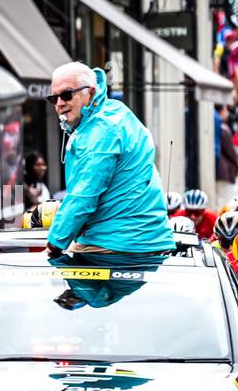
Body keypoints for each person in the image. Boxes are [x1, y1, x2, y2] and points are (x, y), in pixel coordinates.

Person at [45, 62, 175, 257]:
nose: (59, 104)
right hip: (140, 239)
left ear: (90, 92)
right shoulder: (114, 112)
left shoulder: (101, 130)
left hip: (115, 242)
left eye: (66, 95)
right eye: (53, 98)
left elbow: (85, 194)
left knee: (57, 282)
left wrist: (55, 242)